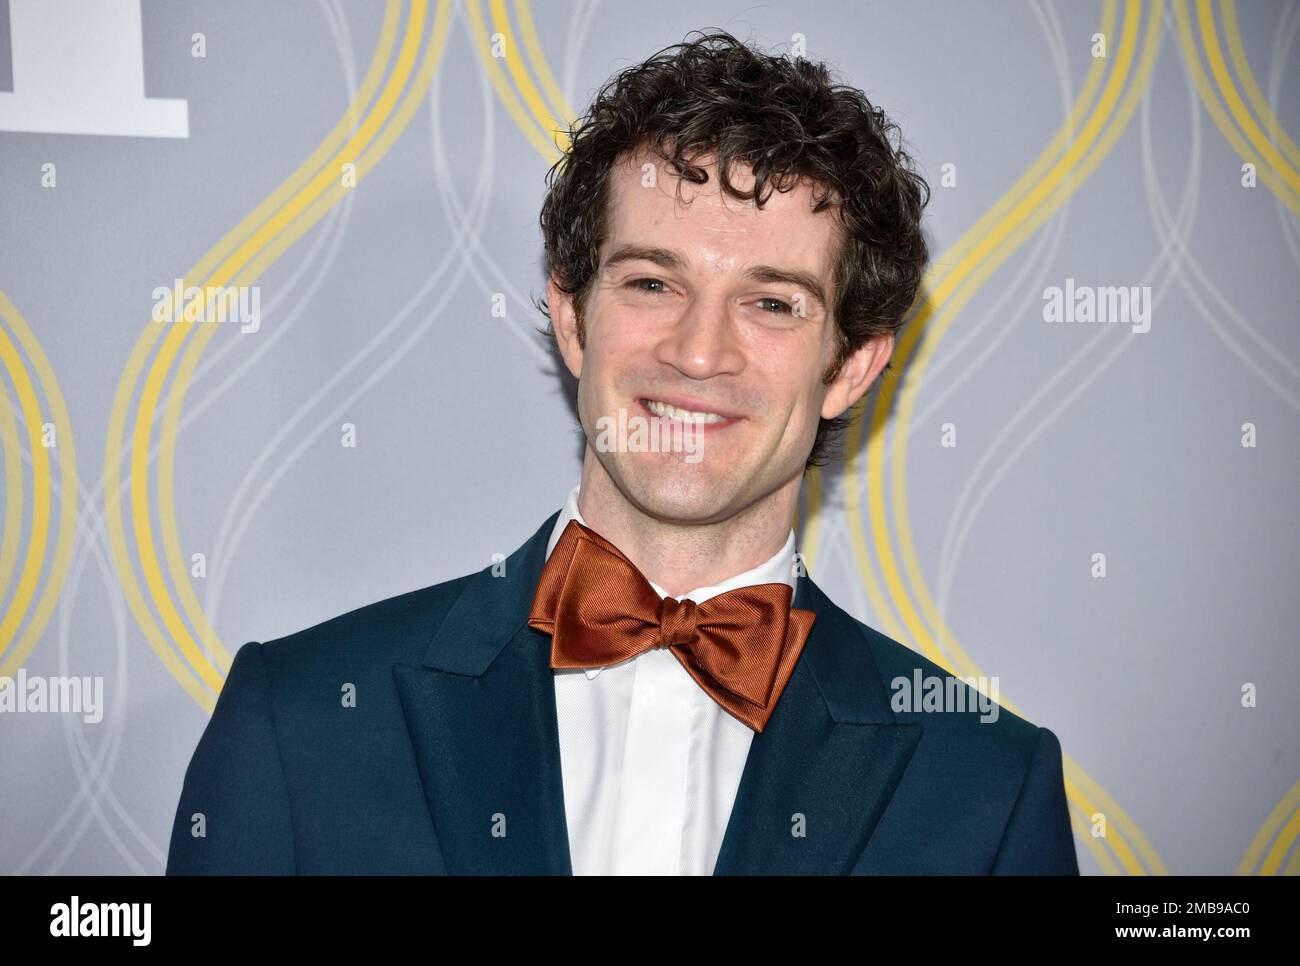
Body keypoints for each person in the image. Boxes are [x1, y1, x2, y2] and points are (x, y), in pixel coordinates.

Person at [166, 30, 1079, 875]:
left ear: (852, 365)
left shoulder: (986, 784)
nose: (696, 351)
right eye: (652, 281)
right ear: (571, 317)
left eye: (771, 303)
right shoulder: (302, 719)